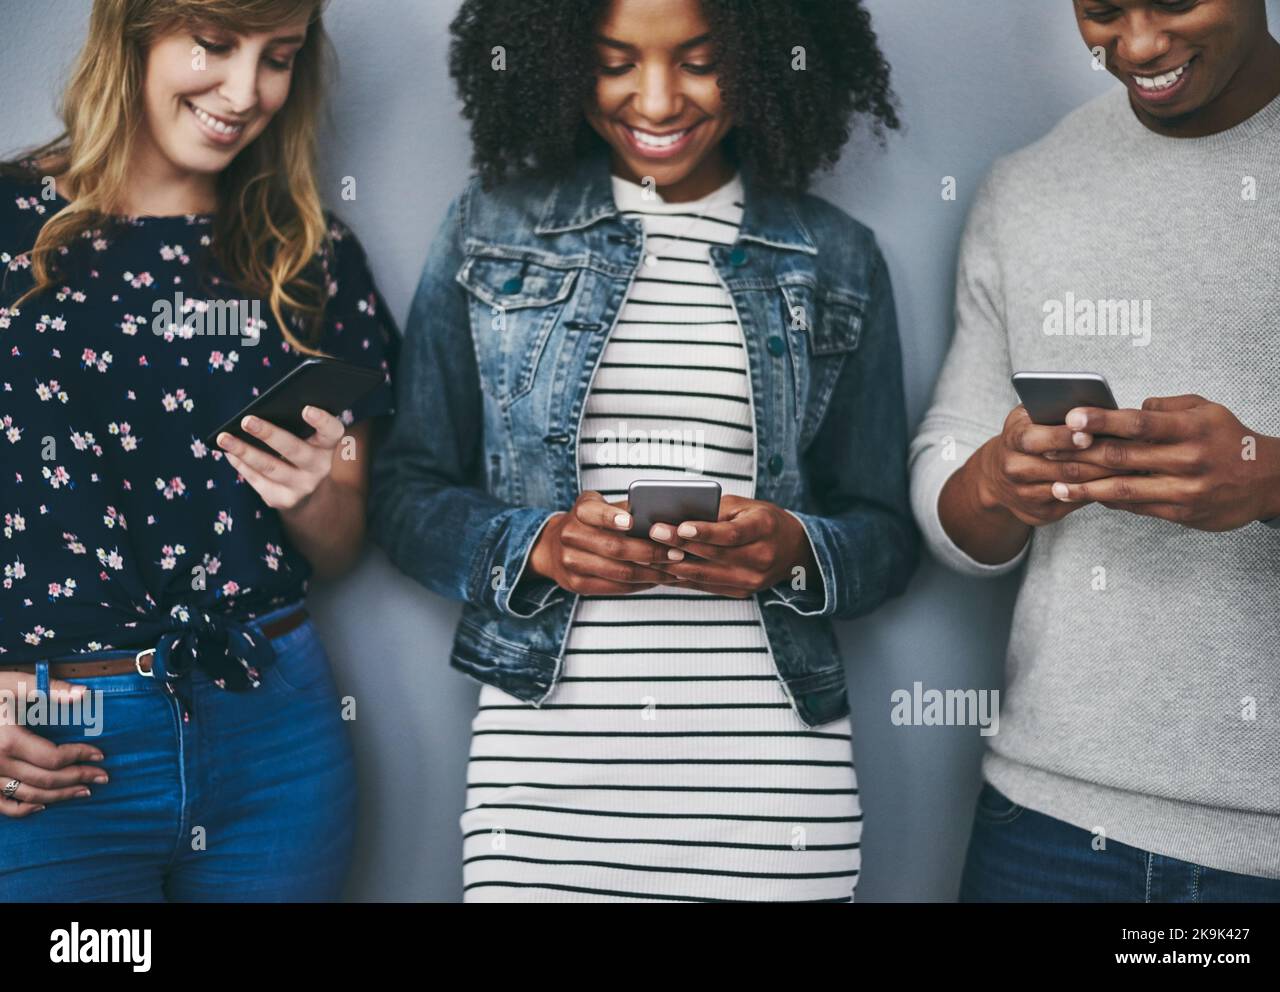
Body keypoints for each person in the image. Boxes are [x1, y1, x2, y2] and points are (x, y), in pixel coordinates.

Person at [372, 0, 917, 902]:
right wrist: (534, 548)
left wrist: (794, 550)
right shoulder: (489, 233)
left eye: (701, 61)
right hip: (542, 803)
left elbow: (885, 533)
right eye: (614, 60)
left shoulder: (838, 257)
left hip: (772, 800)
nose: (656, 101)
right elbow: (403, 492)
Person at [0, 0, 398, 901]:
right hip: (51, 738)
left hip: (275, 732)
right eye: (214, 46)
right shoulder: (5, 220)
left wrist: (309, 495)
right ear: (132, 35)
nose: (246, 91)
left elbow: (340, 549)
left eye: (280, 57)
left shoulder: (311, 256)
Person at [910, 0, 1280, 901]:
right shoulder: (1028, 185)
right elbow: (948, 476)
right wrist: (998, 483)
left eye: (1173, 1)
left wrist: (1279, 479)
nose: (1137, 44)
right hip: (1042, 826)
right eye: (1102, 10)